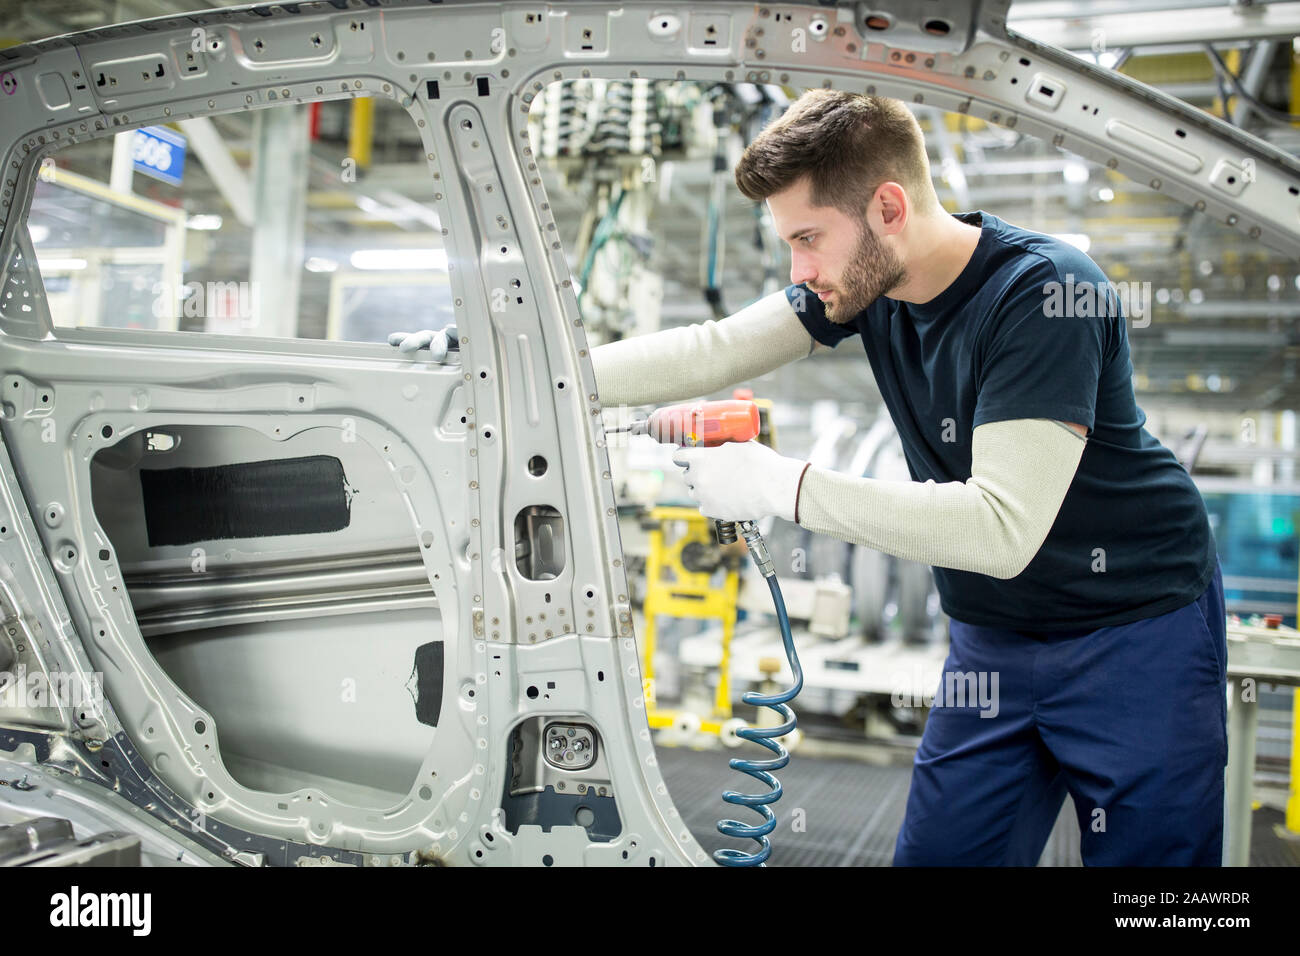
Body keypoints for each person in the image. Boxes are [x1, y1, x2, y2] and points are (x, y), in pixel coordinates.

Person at [392, 90, 1226, 867]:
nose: (798, 269)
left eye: (806, 238)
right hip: (995, 638)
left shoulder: (1044, 293)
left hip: (1135, 630)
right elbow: (710, 349)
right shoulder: (863, 287)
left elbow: (1000, 529)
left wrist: (779, 486)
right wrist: (508, 367)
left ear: (887, 208)